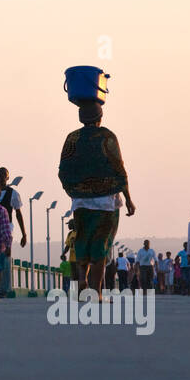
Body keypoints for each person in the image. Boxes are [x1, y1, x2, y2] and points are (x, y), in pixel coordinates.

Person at [58, 102, 135, 300]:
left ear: (81, 118)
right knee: (101, 244)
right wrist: (128, 199)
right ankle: (97, 291)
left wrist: (73, 190)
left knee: (83, 239)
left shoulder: (72, 138)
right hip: (106, 202)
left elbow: (63, 169)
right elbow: (119, 167)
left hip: (81, 201)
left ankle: (82, 278)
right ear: (100, 117)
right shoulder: (107, 136)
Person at [0, 166, 27, 297]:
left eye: (4, 175)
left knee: (6, 255)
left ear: (7, 178)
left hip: (7, 227)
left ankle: (4, 288)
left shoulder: (13, 194)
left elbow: (18, 213)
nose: (1, 177)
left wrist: (24, 233)